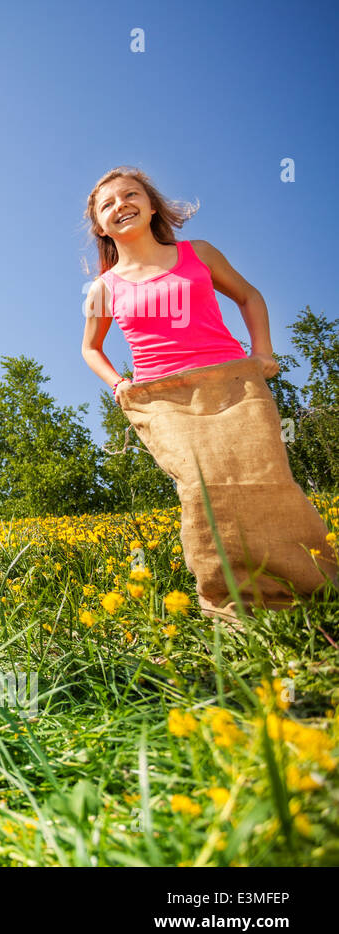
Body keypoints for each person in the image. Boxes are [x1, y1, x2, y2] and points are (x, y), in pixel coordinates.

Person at [80, 165, 336, 618]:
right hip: (164, 398)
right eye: (108, 204)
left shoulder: (197, 253)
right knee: (201, 489)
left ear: (152, 204)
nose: (121, 205)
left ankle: (313, 587)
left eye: (130, 195)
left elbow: (249, 296)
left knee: (266, 479)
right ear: (100, 225)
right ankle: (230, 600)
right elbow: (90, 348)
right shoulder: (104, 287)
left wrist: (264, 352)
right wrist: (119, 384)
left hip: (232, 382)